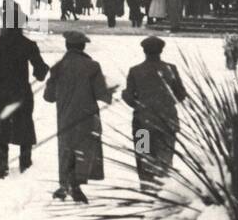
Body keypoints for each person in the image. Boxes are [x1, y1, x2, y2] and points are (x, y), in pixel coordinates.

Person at [0, 6, 49, 178]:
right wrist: (42, 71)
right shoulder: (28, 44)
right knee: (24, 127)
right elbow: (40, 70)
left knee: (0, 129)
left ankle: (2, 169)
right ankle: (25, 164)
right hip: (20, 92)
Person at [44, 29, 113, 203]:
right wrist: (110, 90)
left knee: (66, 149)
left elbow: (48, 97)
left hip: (65, 116)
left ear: (67, 46)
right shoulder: (92, 66)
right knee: (84, 149)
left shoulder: (57, 67)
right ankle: (75, 185)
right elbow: (102, 94)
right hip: (87, 116)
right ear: (83, 47)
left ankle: (66, 183)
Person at [122, 36, 187, 186]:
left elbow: (130, 98)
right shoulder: (170, 69)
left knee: (143, 156)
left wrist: (128, 97)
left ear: (144, 51)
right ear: (161, 50)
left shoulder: (135, 71)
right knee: (164, 159)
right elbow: (181, 95)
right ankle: (163, 189)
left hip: (142, 123)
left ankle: (147, 188)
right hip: (167, 123)